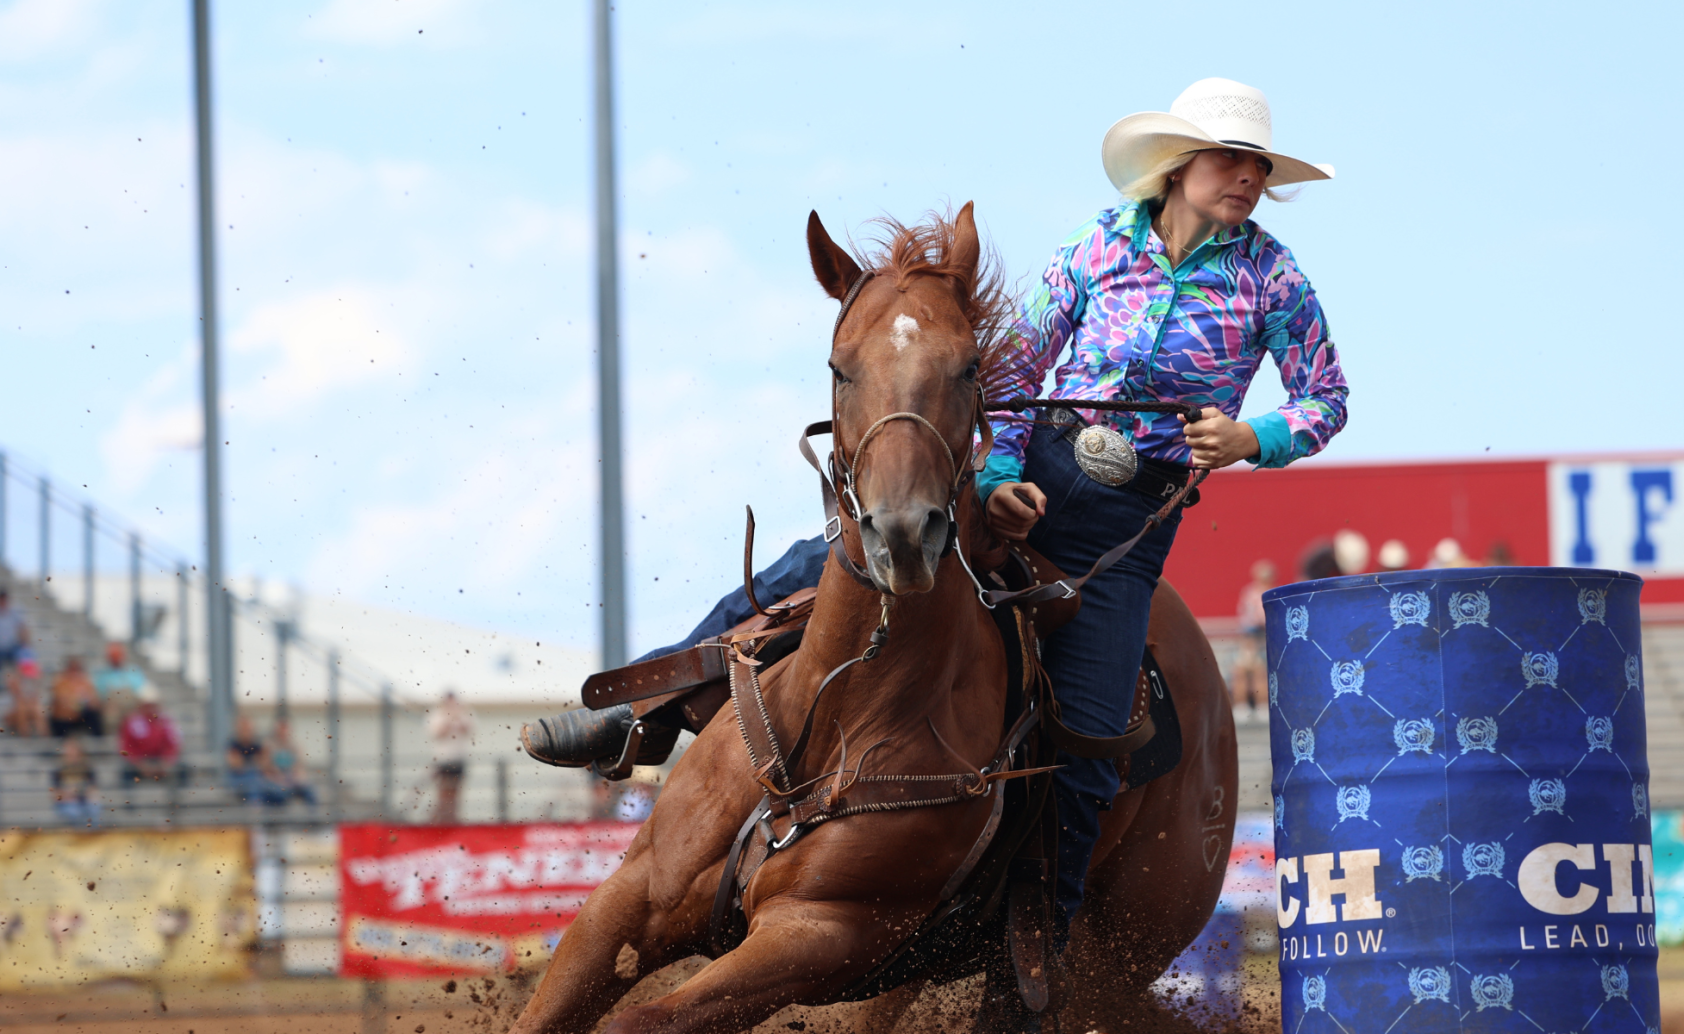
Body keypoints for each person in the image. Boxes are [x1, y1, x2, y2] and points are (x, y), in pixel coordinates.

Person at [526, 77, 1347, 953]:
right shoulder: (1097, 249)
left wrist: (1252, 435)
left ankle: (1039, 926)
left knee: (1097, 726)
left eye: (1258, 165)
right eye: (1231, 158)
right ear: (1181, 167)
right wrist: (993, 475)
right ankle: (642, 711)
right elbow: (1017, 362)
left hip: (1127, 518)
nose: (1248, 176)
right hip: (1030, 463)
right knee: (820, 563)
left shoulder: (1276, 280)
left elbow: (1325, 398)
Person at [1229, 560, 1277, 720]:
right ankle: (1241, 706)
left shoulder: (1271, 593)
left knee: (1260, 672)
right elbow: (1251, 619)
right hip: (1251, 638)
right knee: (1242, 670)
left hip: (1264, 638)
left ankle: (1262, 705)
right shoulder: (1252, 593)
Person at [426, 690, 474, 824]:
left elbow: (468, 730)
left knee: (456, 792)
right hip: (443, 760)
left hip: (458, 759)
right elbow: (438, 733)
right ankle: (440, 819)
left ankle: (452, 818)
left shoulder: (463, 714)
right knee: (443, 791)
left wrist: (458, 717)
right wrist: (449, 718)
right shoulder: (437, 715)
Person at [118, 684, 181, 785]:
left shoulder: (166, 721)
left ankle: (177, 798)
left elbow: (172, 744)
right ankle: (128, 799)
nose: (151, 709)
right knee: (125, 772)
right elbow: (126, 747)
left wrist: (165, 763)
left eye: (153, 705)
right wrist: (140, 764)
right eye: (147, 705)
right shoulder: (132, 722)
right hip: (139, 762)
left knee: (182, 769)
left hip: (160, 761)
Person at [92, 642, 148, 733]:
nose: (115, 658)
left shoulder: (133, 671)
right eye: (112, 656)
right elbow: (99, 694)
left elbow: (142, 691)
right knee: (111, 717)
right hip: (111, 707)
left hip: (132, 705)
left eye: (117, 655)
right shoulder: (102, 674)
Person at [264, 718, 319, 808]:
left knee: (311, 792)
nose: (283, 733)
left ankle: (314, 819)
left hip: (294, 780)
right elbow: (266, 767)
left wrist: (296, 777)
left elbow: (300, 766)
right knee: (279, 793)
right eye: (281, 730)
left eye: (285, 729)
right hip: (276, 781)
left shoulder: (296, 745)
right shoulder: (269, 746)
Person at [47, 655, 103, 738]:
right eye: (73, 669)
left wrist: (85, 701)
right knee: (59, 717)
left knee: (93, 715)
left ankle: (98, 741)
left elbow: (94, 700)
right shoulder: (60, 682)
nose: (75, 673)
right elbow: (60, 700)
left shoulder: (85, 681)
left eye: (77, 669)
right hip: (65, 716)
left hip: (82, 714)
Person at [50, 737, 102, 826]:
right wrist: (69, 793)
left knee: (95, 807)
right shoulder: (58, 770)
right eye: (70, 752)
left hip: (84, 800)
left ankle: (93, 834)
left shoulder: (87, 768)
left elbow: (93, 789)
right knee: (73, 810)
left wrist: (81, 792)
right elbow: (55, 795)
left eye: (75, 752)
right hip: (67, 802)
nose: (73, 755)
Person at [226, 714, 277, 803]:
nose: (246, 731)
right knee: (254, 782)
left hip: (257, 778)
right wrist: (255, 762)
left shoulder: (257, 744)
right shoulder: (233, 744)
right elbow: (236, 765)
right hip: (238, 778)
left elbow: (266, 763)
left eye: (248, 728)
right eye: (244, 728)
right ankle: (255, 809)